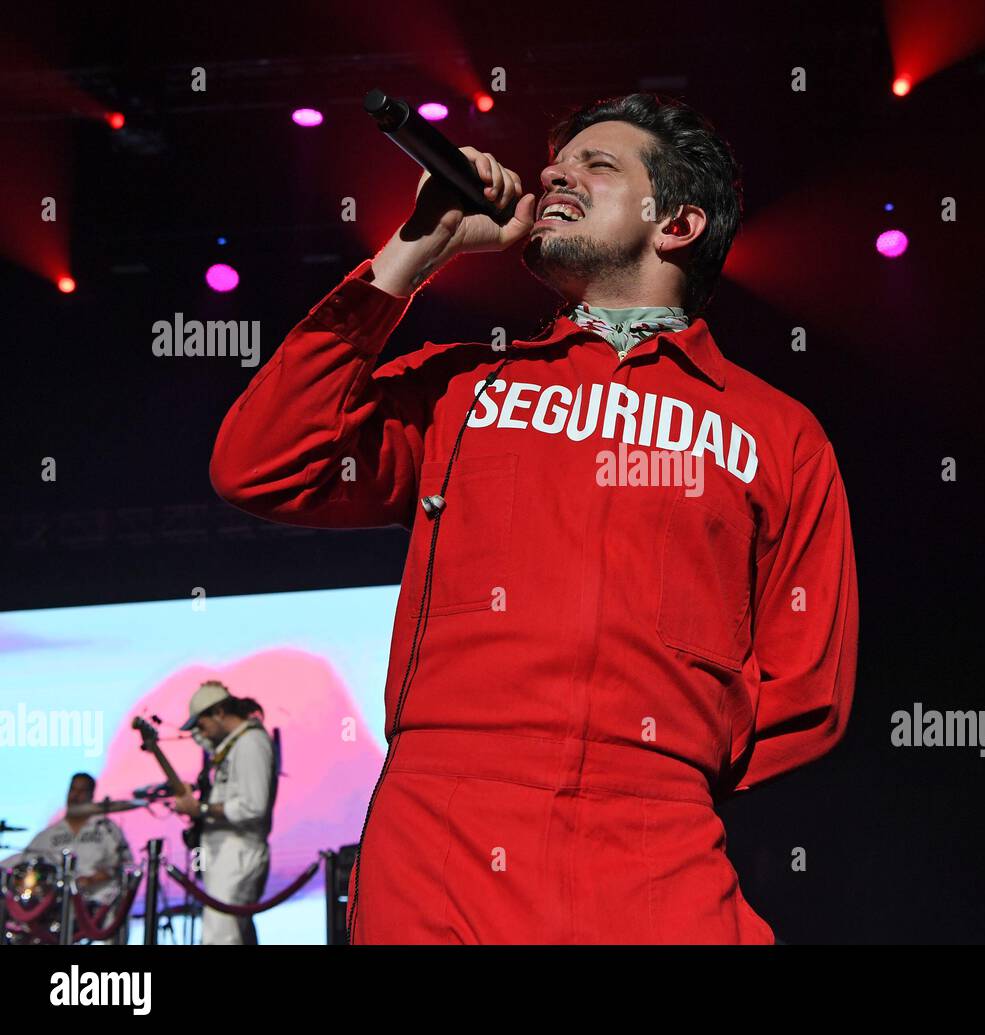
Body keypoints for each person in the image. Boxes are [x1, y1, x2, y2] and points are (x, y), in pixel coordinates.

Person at [209, 93, 858, 944]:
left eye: (598, 165)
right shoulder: (465, 387)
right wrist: (414, 253)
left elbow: (808, 688)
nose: (554, 174)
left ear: (679, 223)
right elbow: (261, 463)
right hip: (438, 841)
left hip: (660, 850)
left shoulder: (777, 432)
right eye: (557, 164)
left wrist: (660, 759)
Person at [168, 680, 278, 945]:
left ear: (219, 713)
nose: (200, 733)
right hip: (227, 855)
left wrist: (201, 809)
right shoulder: (234, 745)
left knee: (221, 938)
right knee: (233, 935)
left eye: (201, 725)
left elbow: (254, 805)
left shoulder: (251, 743)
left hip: (239, 854)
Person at [1, 773, 133, 942]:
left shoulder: (106, 829)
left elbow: (124, 865)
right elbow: (26, 861)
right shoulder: (49, 834)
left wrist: (93, 878)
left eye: (82, 791)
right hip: (52, 905)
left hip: (97, 902)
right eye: (73, 790)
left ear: (92, 794)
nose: (76, 796)